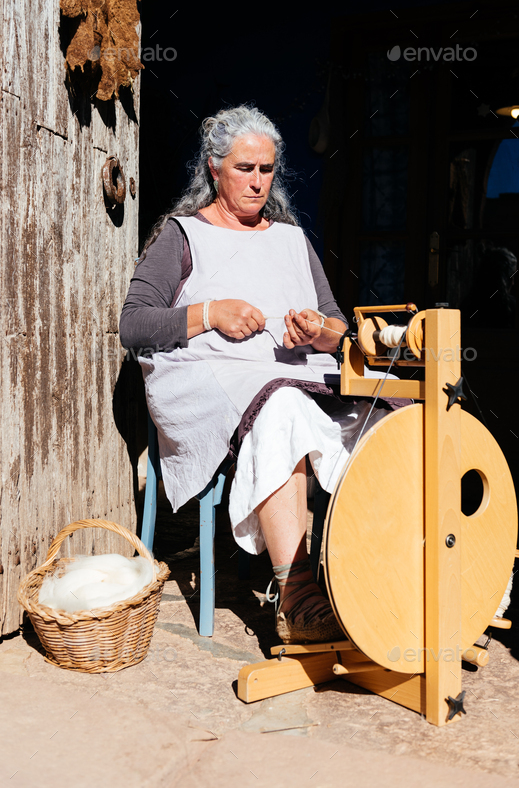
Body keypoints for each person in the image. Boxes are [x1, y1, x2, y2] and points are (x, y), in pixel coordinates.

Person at [120, 105, 395, 643]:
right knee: (282, 407)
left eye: (267, 169)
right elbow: (134, 325)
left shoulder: (291, 240)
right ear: (214, 168)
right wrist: (209, 313)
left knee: (384, 412)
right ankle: (296, 595)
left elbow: (340, 331)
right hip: (212, 384)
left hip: (291, 377)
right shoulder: (183, 236)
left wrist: (315, 329)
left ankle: (379, 576)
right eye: (244, 168)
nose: (257, 181)